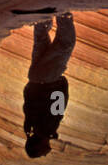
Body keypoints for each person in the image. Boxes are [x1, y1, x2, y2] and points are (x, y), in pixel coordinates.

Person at [22, 12, 76, 156]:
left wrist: (61, 83)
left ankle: (62, 13)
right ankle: (41, 13)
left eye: (42, 153)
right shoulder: (29, 127)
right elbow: (27, 103)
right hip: (33, 78)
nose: (47, 152)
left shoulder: (48, 127)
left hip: (49, 79)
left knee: (65, 44)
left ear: (38, 146)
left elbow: (59, 101)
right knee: (41, 41)